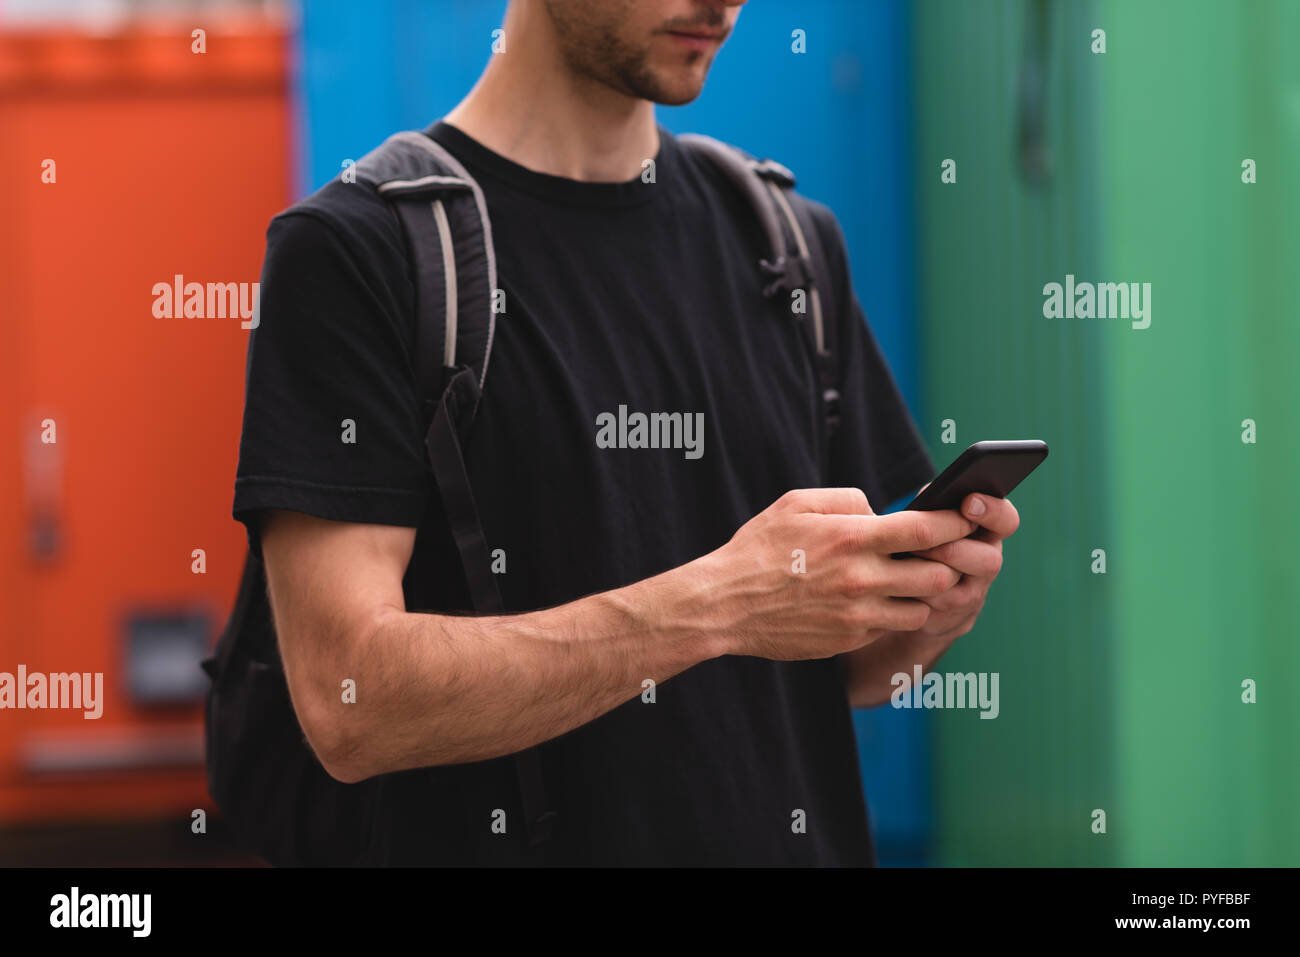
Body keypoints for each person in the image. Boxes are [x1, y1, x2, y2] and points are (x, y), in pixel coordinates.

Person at [232, 0, 1020, 866]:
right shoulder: (358, 253)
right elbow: (350, 701)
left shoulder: (787, 241)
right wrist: (720, 603)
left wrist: (930, 606)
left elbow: (854, 672)